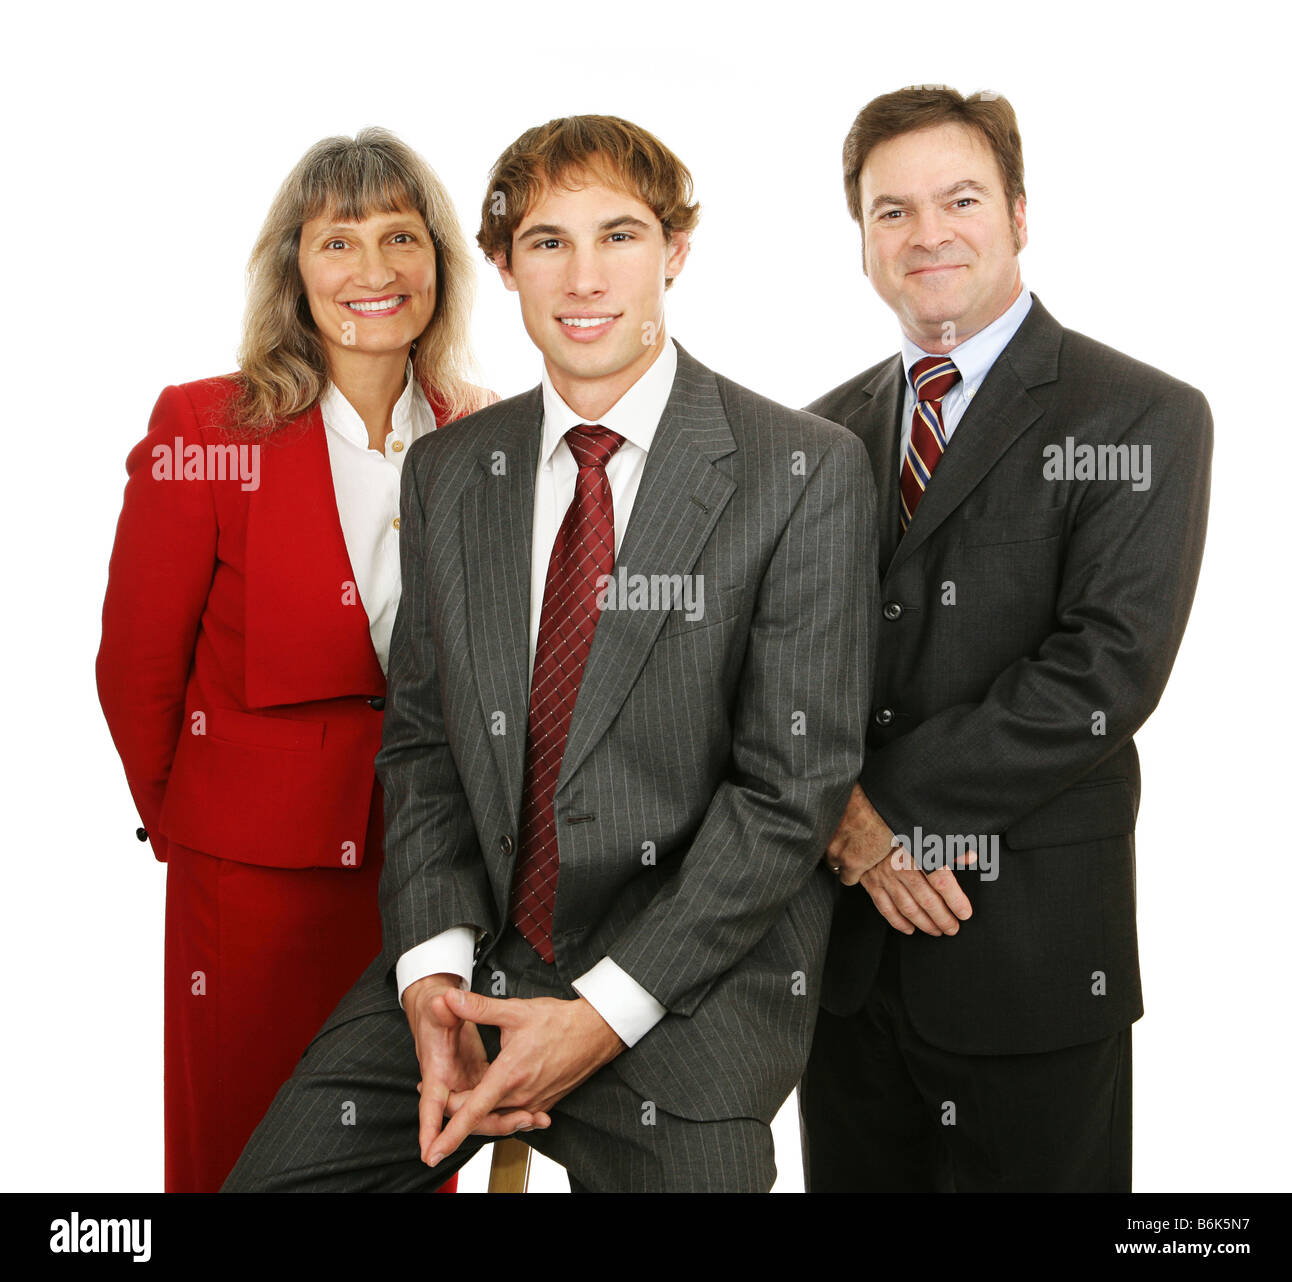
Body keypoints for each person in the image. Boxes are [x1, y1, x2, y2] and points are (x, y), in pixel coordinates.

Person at [223, 114, 872, 1194]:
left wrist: (598, 1014)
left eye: (618, 235)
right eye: (545, 242)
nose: (583, 277)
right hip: (479, 965)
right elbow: (424, 746)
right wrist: (430, 976)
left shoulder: (800, 470)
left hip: (684, 983)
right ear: (500, 263)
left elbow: (787, 791)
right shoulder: (449, 471)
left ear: (675, 250)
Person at [797, 86, 1213, 1192]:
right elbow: (774, 664)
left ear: (1019, 214)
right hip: (844, 960)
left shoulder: (1138, 415)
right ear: (864, 241)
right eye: (891, 211)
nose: (926, 232)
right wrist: (840, 823)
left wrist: (884, 812)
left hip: (1027, 952)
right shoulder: (822, 433)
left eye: (960, 198)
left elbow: (1105, 665)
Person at [96, 127, 491, 1193]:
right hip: (250, 884)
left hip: (429, 878)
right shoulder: (206, 426)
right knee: (242, 1150)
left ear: (438, 264)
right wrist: (196, 823)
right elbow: (134, 665)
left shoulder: (485, 434)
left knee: (415, 1148)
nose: (374, 271)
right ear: (295, 269)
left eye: (401, 238)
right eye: (339, 241)